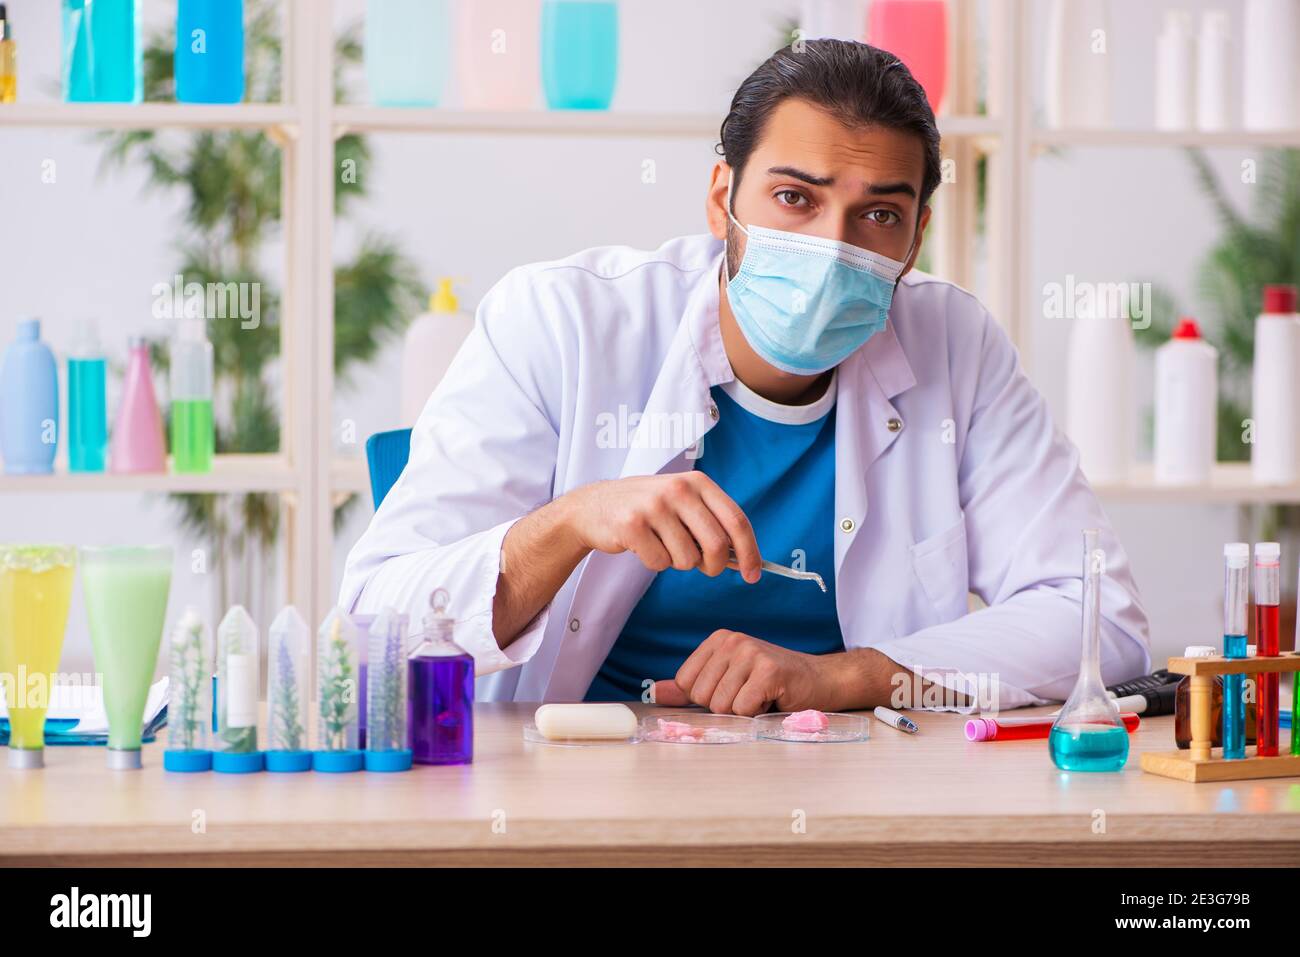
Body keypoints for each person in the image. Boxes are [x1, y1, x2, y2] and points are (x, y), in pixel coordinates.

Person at [341, 40, 1150, 715]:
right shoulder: (561, 322)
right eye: (796, 197)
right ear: (722, 195)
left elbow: (1099, 621)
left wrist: (845, 676)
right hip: (581, 783)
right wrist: (577, 519)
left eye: (878, 214)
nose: (835, 246)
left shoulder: (954, 342)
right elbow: (377, 619)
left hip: (856, 787)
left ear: (915, 236)